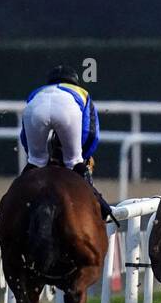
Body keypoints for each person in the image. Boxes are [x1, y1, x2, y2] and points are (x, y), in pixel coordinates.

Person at [20, 64, 114, 222]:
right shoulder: (82, 93)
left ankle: (13, 202)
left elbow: (25, 137)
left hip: (36, 110)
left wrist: (35, 156)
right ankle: (100, 207)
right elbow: (90, 134)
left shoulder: (37, 93)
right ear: (74, 82)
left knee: (35, 162)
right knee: (74, 161)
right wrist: (82, 155)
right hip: (67, 110)